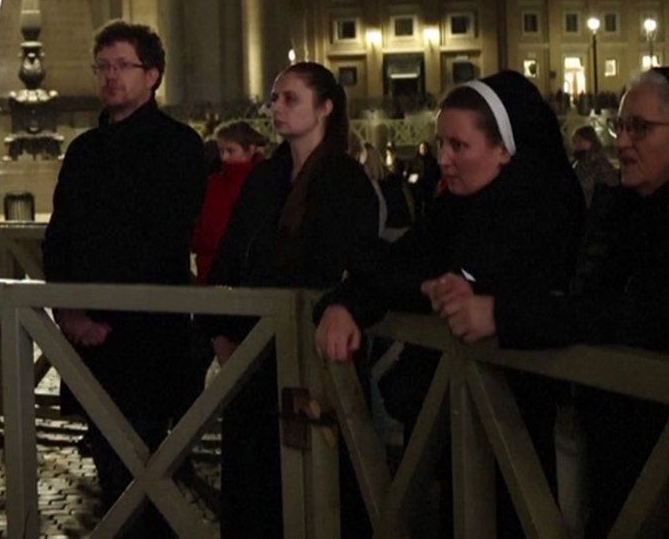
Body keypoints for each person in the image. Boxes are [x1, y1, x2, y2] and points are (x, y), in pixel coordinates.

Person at [314, 71, 582, 536]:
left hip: (524, 421)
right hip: (455, 420)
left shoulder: (548, 208)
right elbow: (398, 263)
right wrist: (344, 303)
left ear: (504, 149)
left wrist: (471, 293)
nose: (444, 160)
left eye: (459, 146)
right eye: (442, 145)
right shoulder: (455, 207)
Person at [428, 69, 669, 535]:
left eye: (640, 127)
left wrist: (500, 312)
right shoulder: (619, 210)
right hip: (612, 434)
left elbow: (634, 314)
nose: (622, 142)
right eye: (619, 127)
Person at [41, 20, 207, 531]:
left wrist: (105, 315)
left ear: (153, 75)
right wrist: (69, 312)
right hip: (90, 341)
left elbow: (162, 241)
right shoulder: (83, 151)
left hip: (150, 341)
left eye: (123, 66)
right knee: (113, 480)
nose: (111, 76)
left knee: (148, 480)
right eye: (103, 66)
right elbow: (60, 237)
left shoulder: (180, 147)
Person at [208, 62, 381, 537]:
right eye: (274, 98)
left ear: (325, 108)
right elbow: (230, 251)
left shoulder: (346, 181)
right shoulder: (264, 178)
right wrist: (220, 328)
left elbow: (356, 265)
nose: (276, 108)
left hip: (320, 354)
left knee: (323, 490)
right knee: (256, 488)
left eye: (290, 99)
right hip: (256, 351)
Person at [193, 119, 267, 283]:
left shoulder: (263, 183)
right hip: (210, 270)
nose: (224, 157)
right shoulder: (213, 183)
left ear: (251, 149)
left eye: (231, 150)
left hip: (247, 273)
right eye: (221, 151)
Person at [570, 122, 619, 207]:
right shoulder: (577, 161)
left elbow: (611, 186)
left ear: (589, 141)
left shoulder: (599, 163)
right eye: (575, 141)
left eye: (579, 140)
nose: (576, 144)